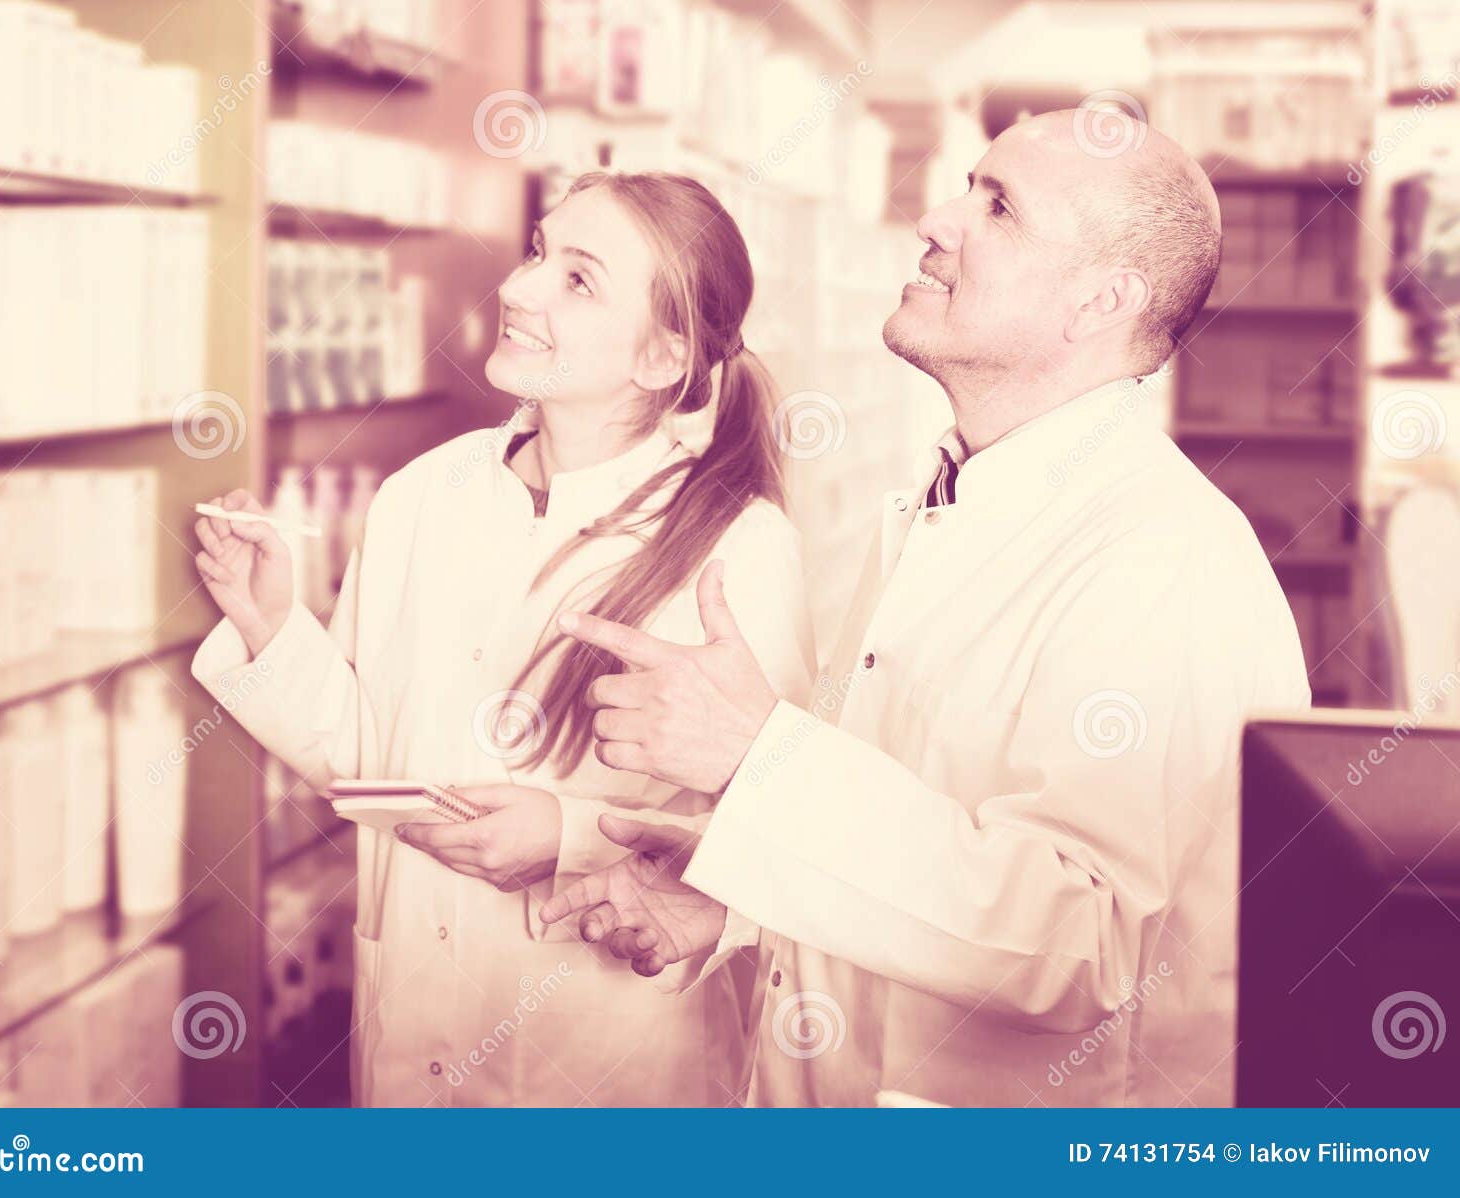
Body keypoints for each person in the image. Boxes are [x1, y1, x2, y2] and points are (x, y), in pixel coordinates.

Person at [540, 110, 1312, 1107]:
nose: (936, 220)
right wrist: (729, 894)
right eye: (965, 186)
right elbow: (920, 853)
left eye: (998, 206)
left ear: (1100, 299)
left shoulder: (1160, 558)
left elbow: (1076, 943)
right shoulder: (937, 509)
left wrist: (754, 759)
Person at [188, 171, 814, 1106]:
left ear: (662, 358)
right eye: (537, 252)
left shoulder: (741, 549)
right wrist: (274, 625)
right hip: (413, 1049)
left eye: (579, 279)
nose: (519, 289)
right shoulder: (419, 496)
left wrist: (565, 838)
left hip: (613, 1075)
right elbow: (371, 767)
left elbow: (787, 842)